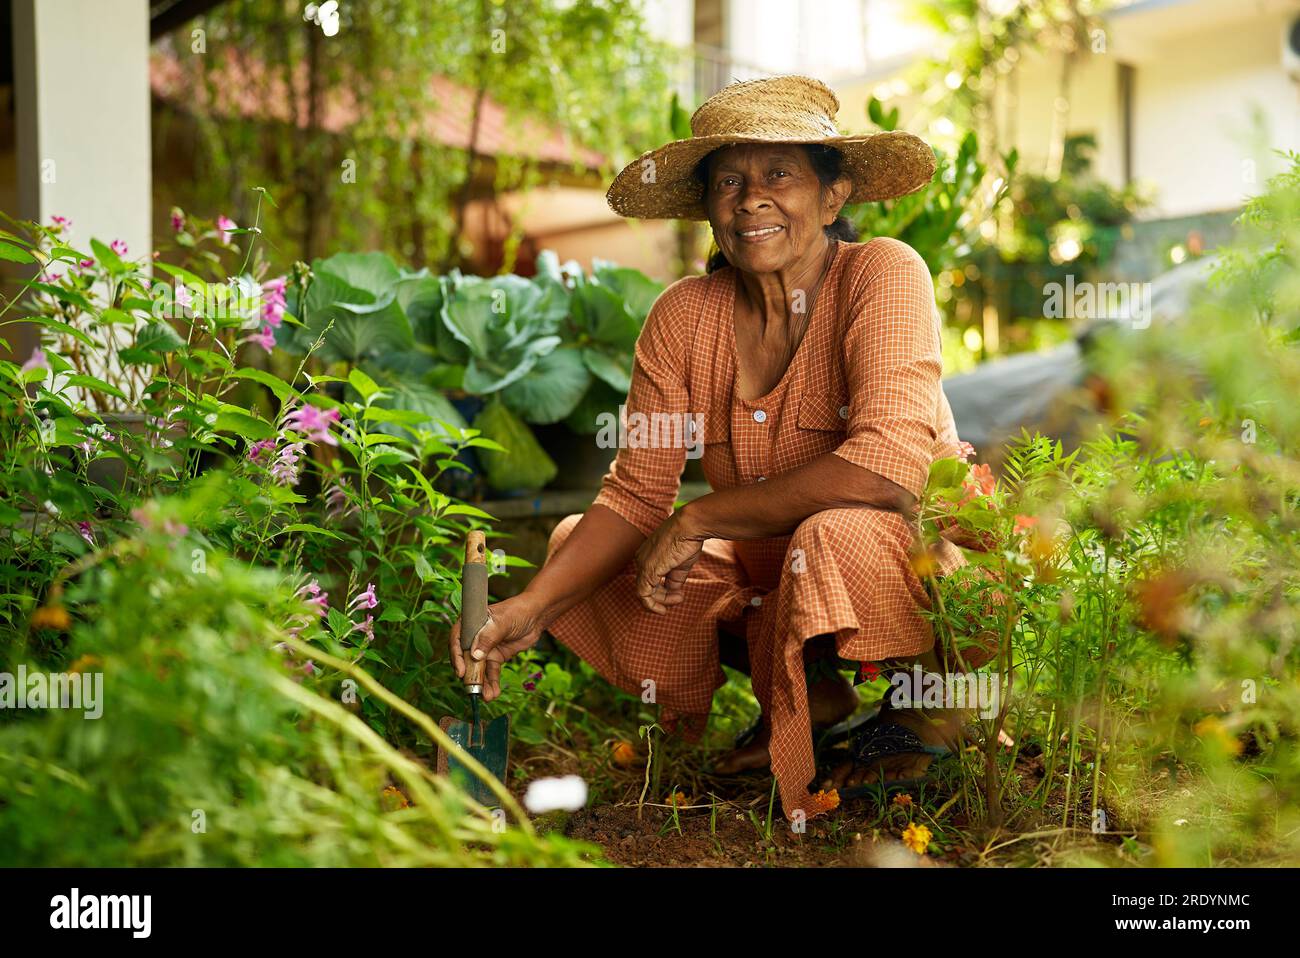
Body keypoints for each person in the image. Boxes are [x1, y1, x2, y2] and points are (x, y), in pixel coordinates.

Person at [450, 75, 990, 821]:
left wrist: (697, 519)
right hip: (780, 576)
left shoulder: (883, 274)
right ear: (708, 206)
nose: (750, 198)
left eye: (778, 175)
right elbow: (637, 496)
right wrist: (532, 609)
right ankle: (811, 693)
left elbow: (889, 471)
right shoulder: (683, 317)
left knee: (830, 536)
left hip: (919, 564)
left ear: (833, 198)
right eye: (729, 179)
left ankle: (928, 706)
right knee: (584, 545)